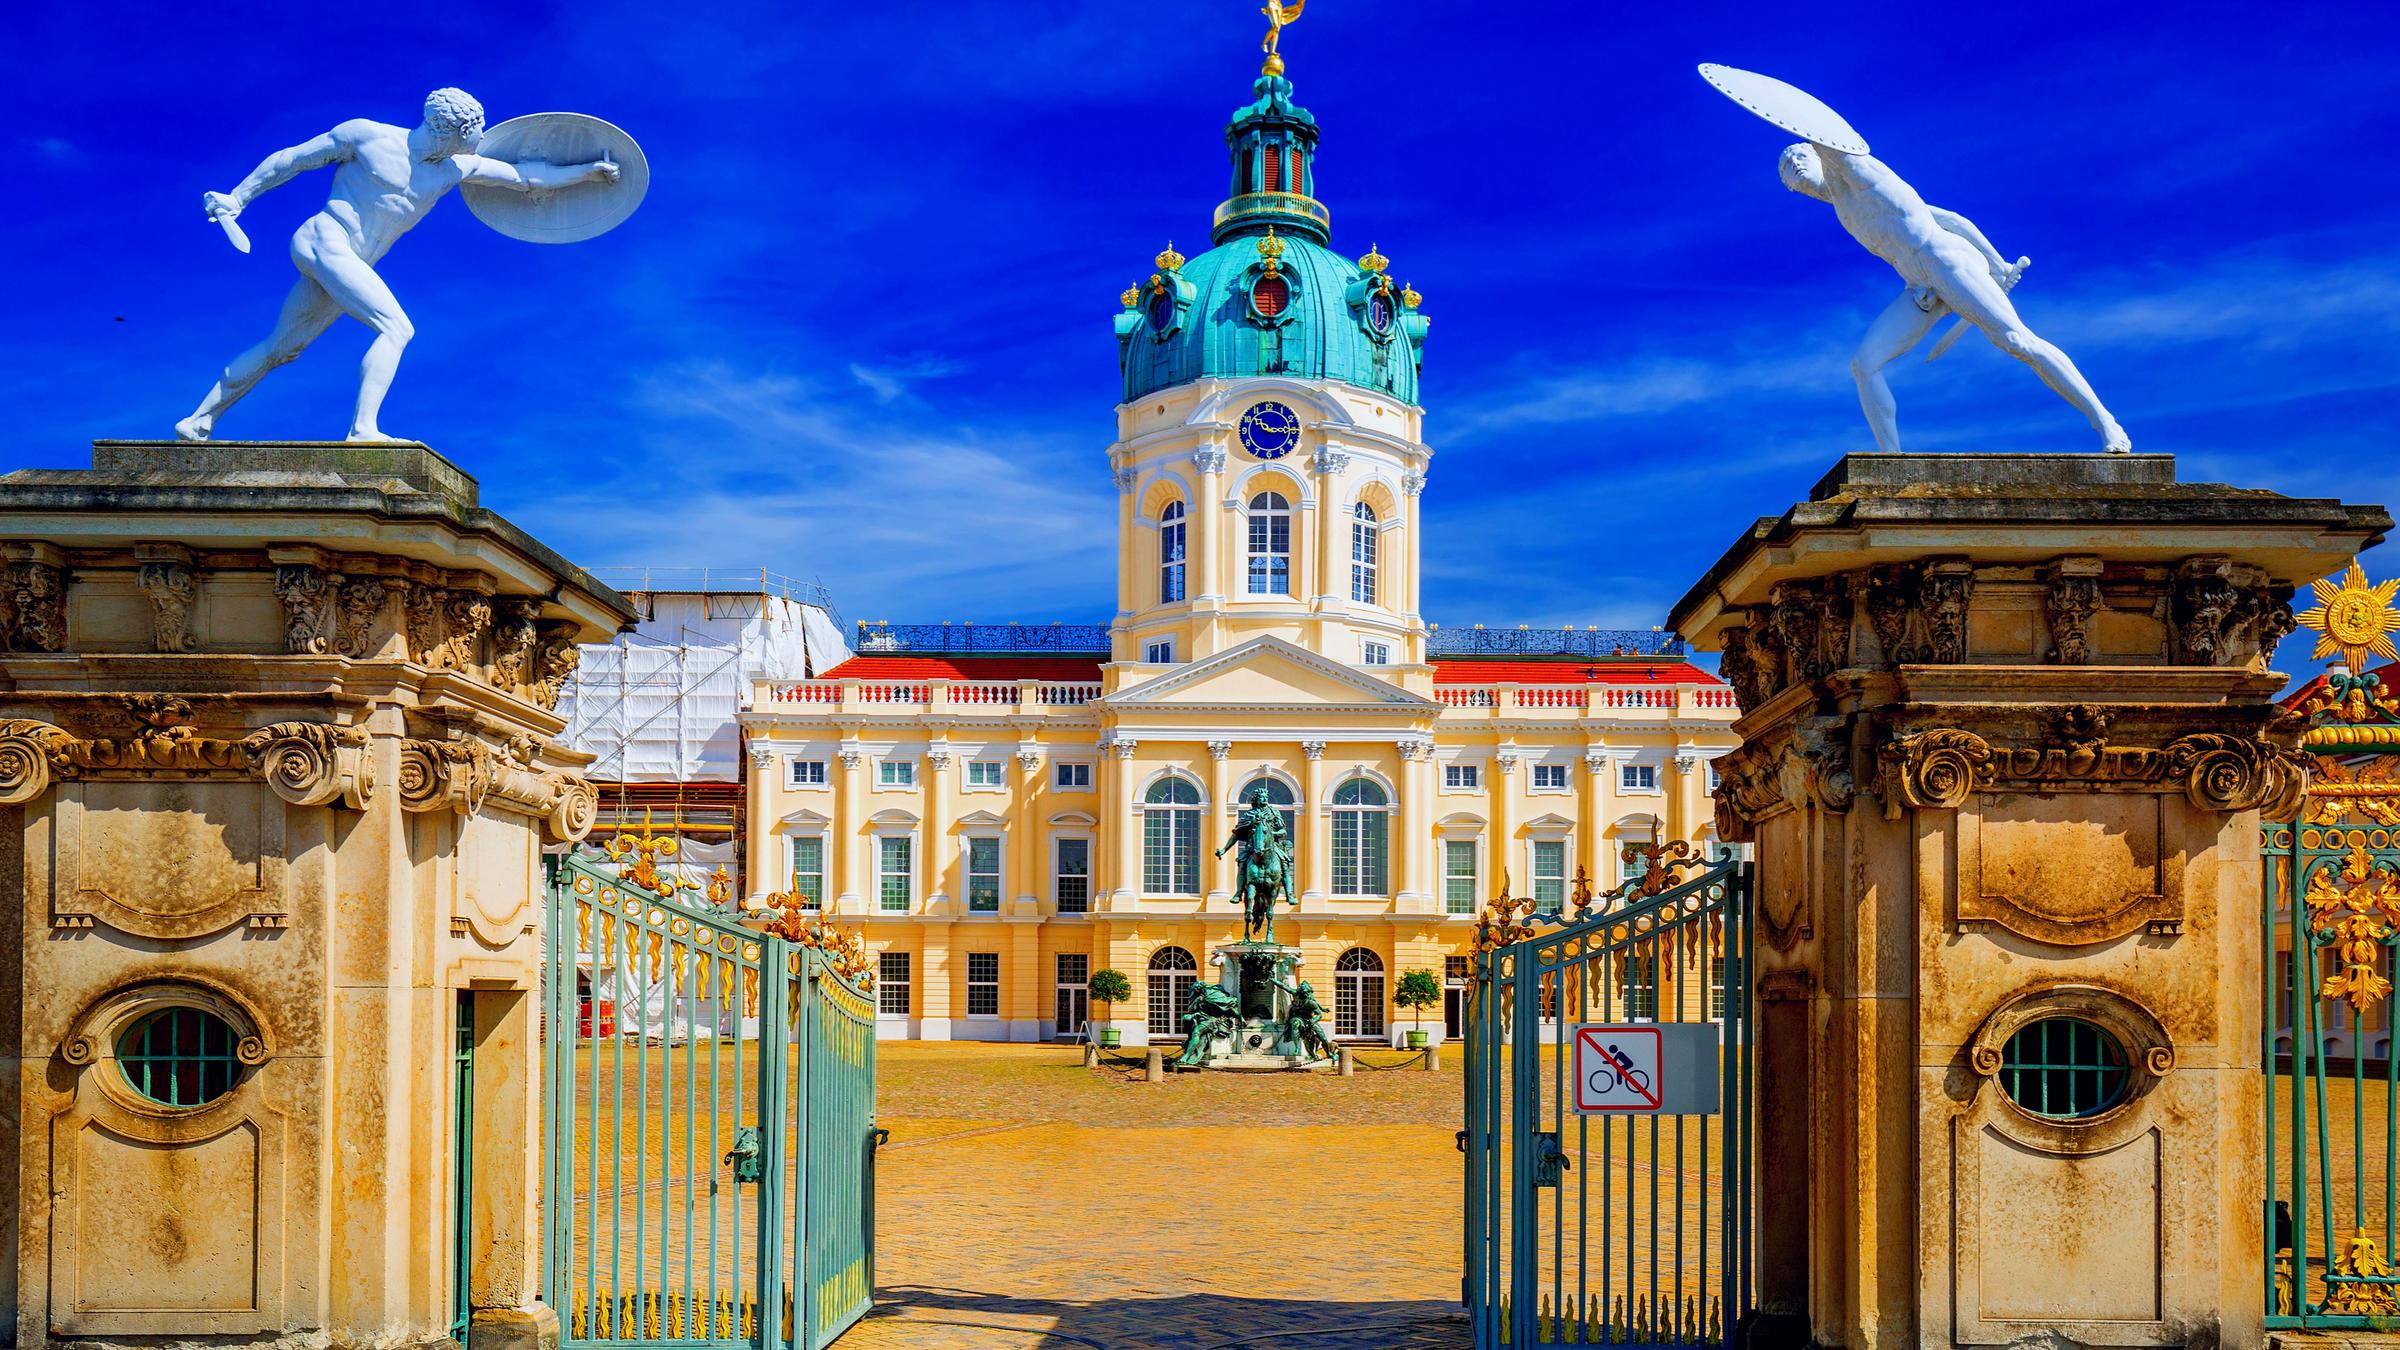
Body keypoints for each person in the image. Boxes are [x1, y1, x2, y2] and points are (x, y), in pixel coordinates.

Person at [178, 88, 619, 443]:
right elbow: (293, 159)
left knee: (282, 348)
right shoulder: (367, 136)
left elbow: (526, 178)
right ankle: (362, 431)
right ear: (452, 130)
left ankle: (198, 420)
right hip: (324, 239)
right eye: (476, 130)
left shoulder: (454, 169)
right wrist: (238, 197)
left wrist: (590, 171)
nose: (481, 137)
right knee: (397, 328)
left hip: (352, 261)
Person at [1777, 141, 2130, 455]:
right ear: (1792, 189)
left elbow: (1829, 137)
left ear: (1820, 154)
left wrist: (1995, 263)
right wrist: (1996, 261)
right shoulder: (1845, 210)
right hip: (1919, 288)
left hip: (1945, 261)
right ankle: (1891, 461)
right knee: (1864, 364)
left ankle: (2105, 422)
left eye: (1798, 155)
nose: (1792, 164)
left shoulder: (1862, 174)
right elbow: (1947, 216)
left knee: (2016, 340)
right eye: (1785, 169)